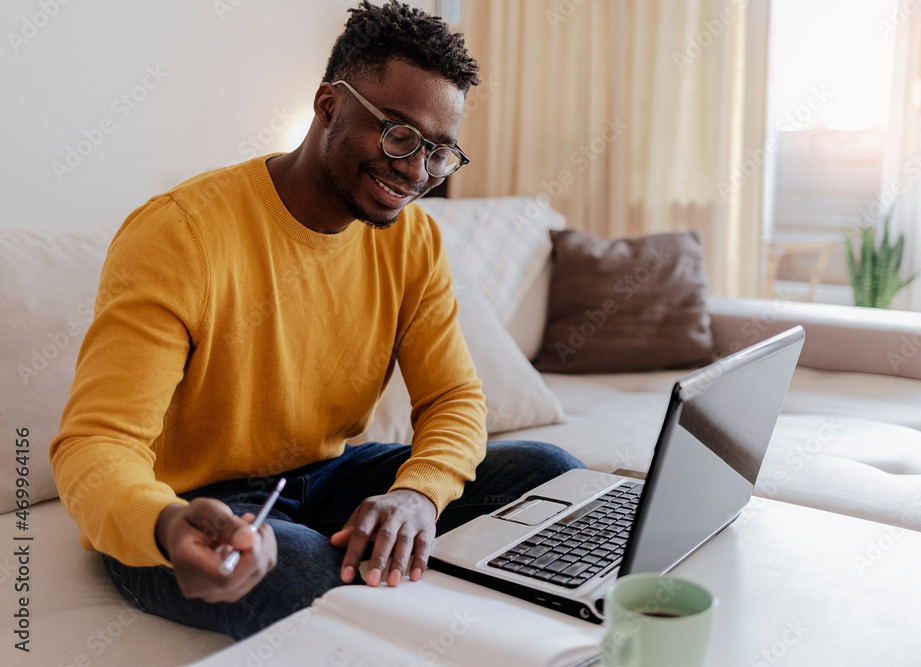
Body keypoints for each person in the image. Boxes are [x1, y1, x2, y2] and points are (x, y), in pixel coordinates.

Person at [50, 0, 583, 640]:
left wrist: (418, 495)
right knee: (295, 565)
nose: (415, 171)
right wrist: (160, 524)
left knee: (551, 474)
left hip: (325, 477)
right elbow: (96, 444)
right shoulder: (180, 234)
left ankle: (403, 581)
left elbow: (453, 397)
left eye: (438, 151)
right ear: (329, 105)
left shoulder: (414, 241)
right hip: (190, 508)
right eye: (398, 134)